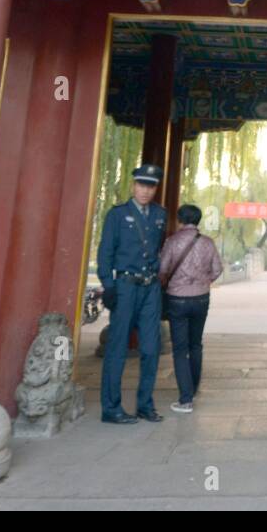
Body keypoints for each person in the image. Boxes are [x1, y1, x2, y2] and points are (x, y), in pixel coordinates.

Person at [95, 164, 168, 424]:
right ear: (133, 185)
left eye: (150, 186)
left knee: (150, 348)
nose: (145, 191)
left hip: (150, 289)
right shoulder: (117, 215)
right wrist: (108, 285)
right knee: (117, 348)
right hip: (125, 287)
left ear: (155, 189)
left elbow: (157, 249)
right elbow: (105, 253)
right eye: (141, 185)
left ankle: (145, 405)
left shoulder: (160, 214)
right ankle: (111, 408)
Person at [158, 204, 224, 414]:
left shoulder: (173, 241)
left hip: (177, 299)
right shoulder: (207, 242)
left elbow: (163, 269)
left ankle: (185, 399)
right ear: (198, 220)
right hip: (201, 298)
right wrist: (203, 281)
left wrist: (174, 282)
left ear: (179, 220)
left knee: (180, 348)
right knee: (196, 344)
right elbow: (217, 269)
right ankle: (193, 388)